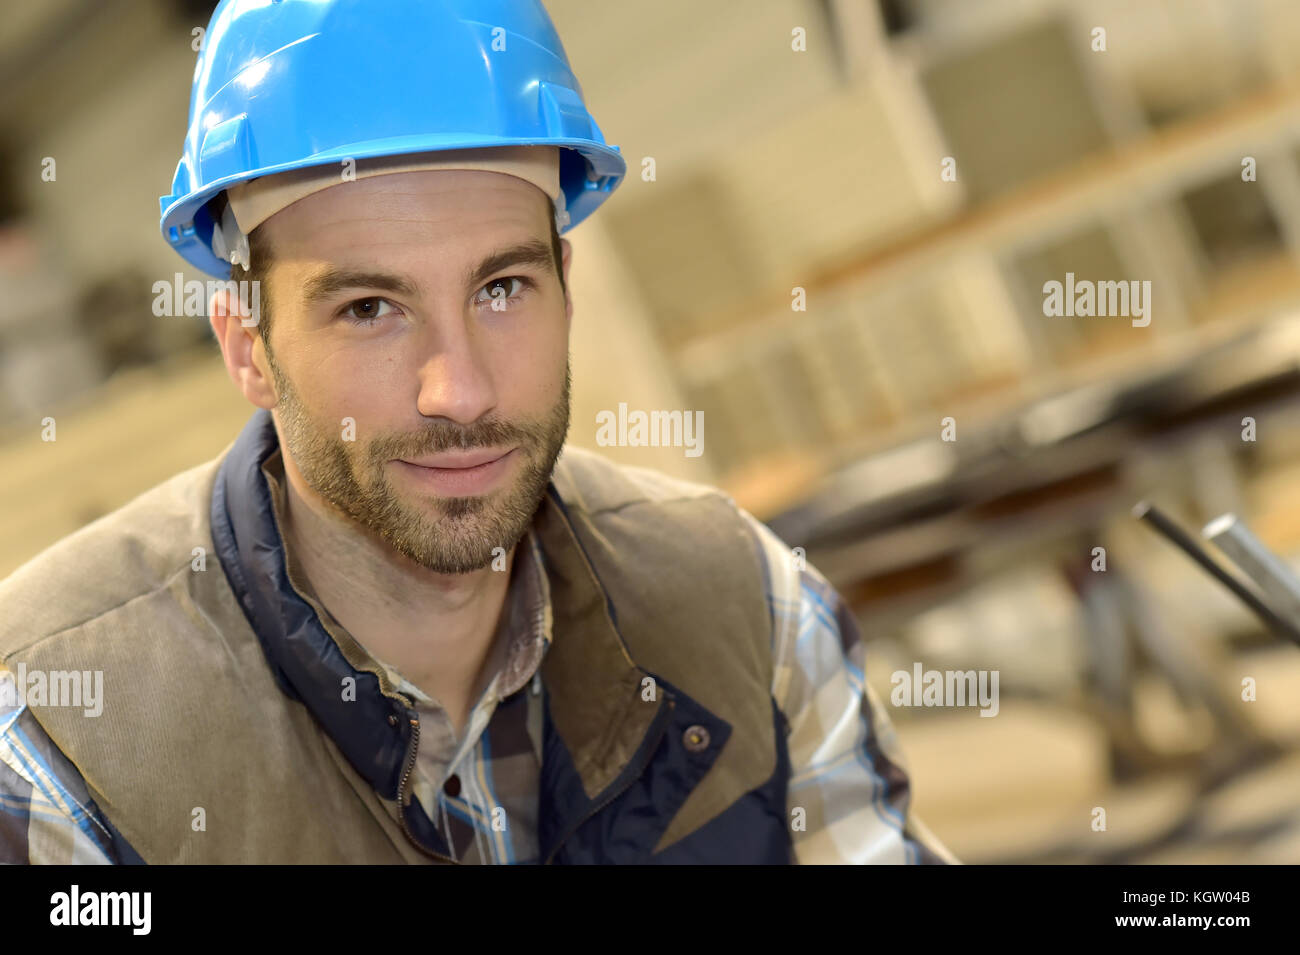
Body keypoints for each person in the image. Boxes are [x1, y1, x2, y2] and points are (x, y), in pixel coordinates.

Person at [0, 0, 955, 865]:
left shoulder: (749, 604)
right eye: (371, 307)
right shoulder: (63, 743)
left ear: (567, 292)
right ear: (248, 344)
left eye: (502, 289)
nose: (459, 388)